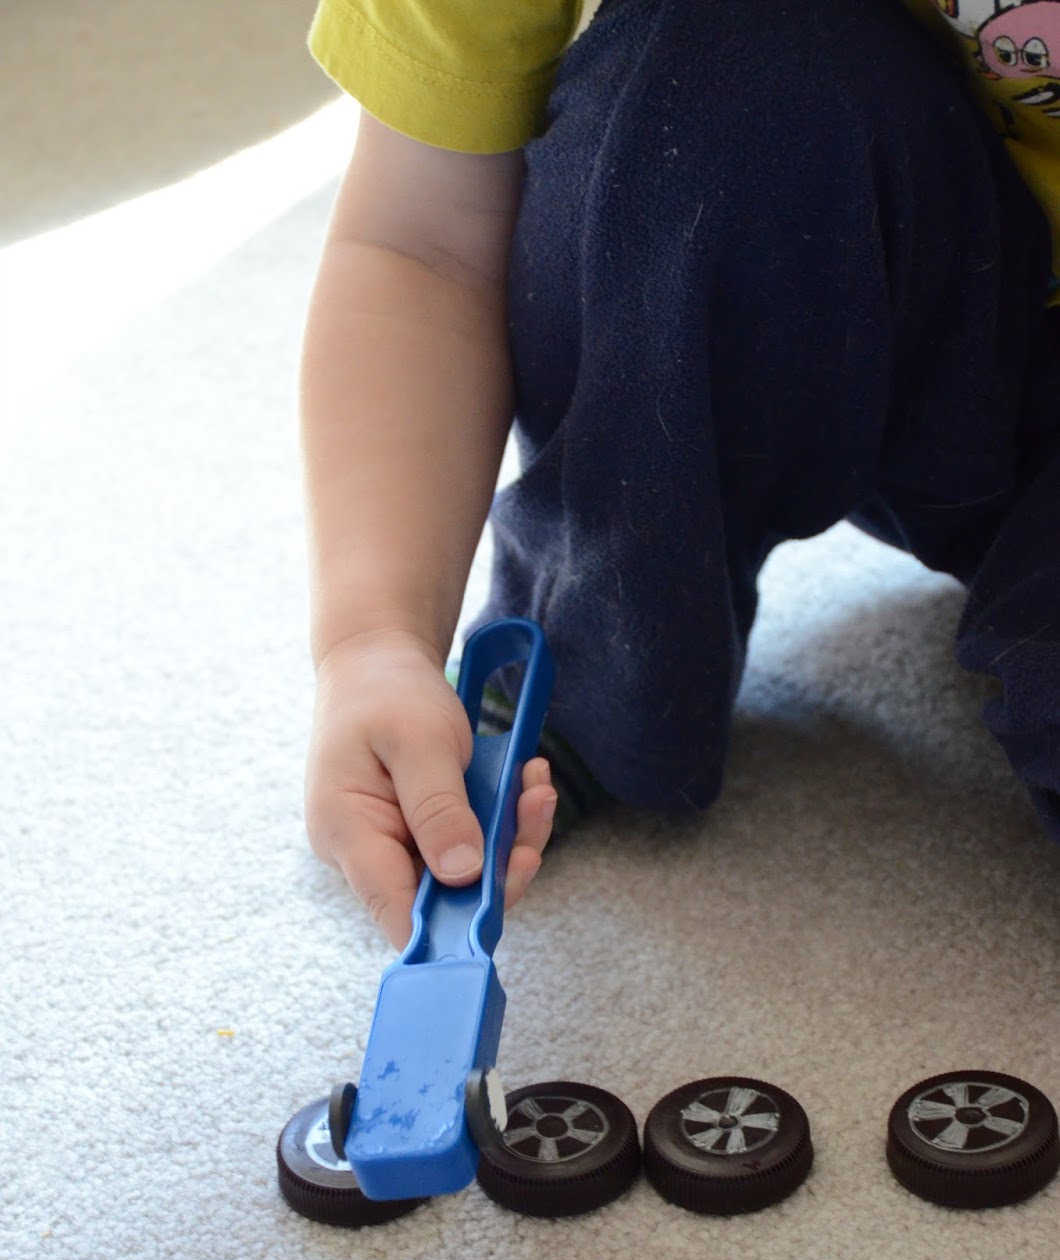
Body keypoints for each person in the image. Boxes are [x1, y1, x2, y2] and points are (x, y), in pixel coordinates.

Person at [300, 0, 1060, 951]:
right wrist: (373, 641)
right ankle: (586, 662)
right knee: (713, 81)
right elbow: (419, 240)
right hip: (913, 278)